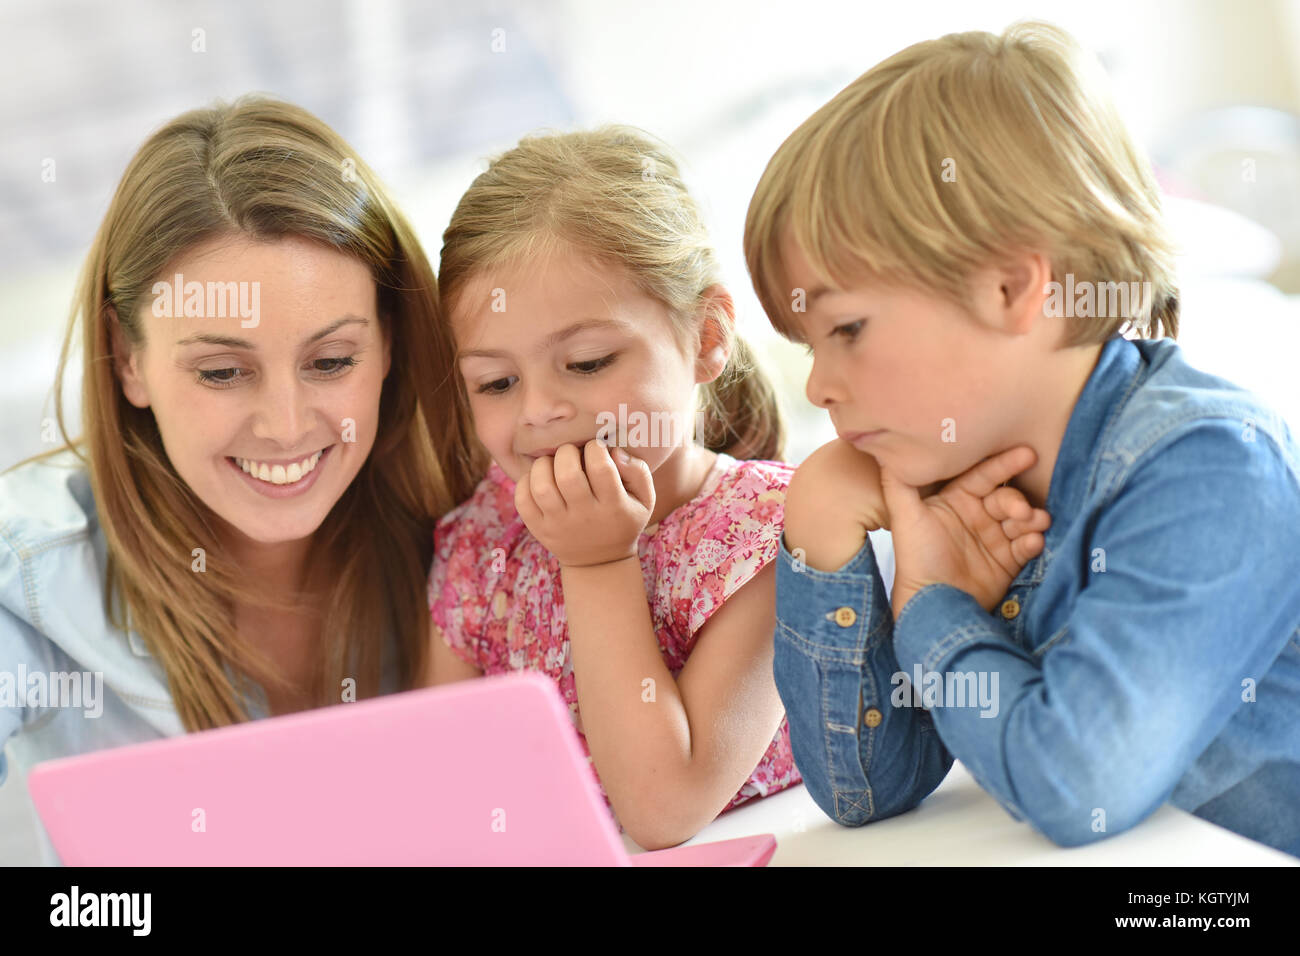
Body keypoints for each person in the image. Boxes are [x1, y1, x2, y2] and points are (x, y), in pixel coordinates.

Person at [744, 19, 1300, 857]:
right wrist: (823, 537)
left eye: (847, 328)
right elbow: (870, 792)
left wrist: (934, 610)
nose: (820, 385)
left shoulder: (1209, 468)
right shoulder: (962, 476)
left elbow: (1081, 786)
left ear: (1011, 287)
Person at [0, 95, 481, 864]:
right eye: (222, 371)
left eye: (331, 362)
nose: (286, 425)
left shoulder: (479, 520)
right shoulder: (27, 573)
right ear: (129, 360)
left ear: (388, 342)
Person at [425, 126, 802, 850]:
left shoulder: (770, 537)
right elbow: (442, 780)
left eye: (589, 362)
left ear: (707, 336)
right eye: (496, 382)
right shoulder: (485, 536)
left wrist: (596, 563)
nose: (538, 411)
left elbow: (663, 809)